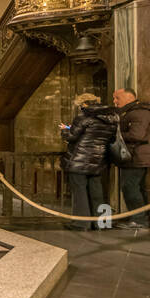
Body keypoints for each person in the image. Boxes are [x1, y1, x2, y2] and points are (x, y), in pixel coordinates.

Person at [59, 92, 119, 231]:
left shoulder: (83, 117)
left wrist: (64, 131)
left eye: (80, 105)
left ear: (84, 104)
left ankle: (81, 224)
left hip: (79, 161)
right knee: (97, 192)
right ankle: (101, 223)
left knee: (79, 192)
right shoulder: (111, 118)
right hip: (98, 160)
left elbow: (72, 137)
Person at [112, 88, 150, 230]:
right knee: (135, 188)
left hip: (136, 157)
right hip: (135, 156)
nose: (114, 102)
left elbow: (137, 135)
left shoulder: (139, 113)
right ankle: (140, 218)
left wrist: (116, 135)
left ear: (128, 97)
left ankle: (140, 220)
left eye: (117, 98)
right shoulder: (134, 112)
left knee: (130, 188)